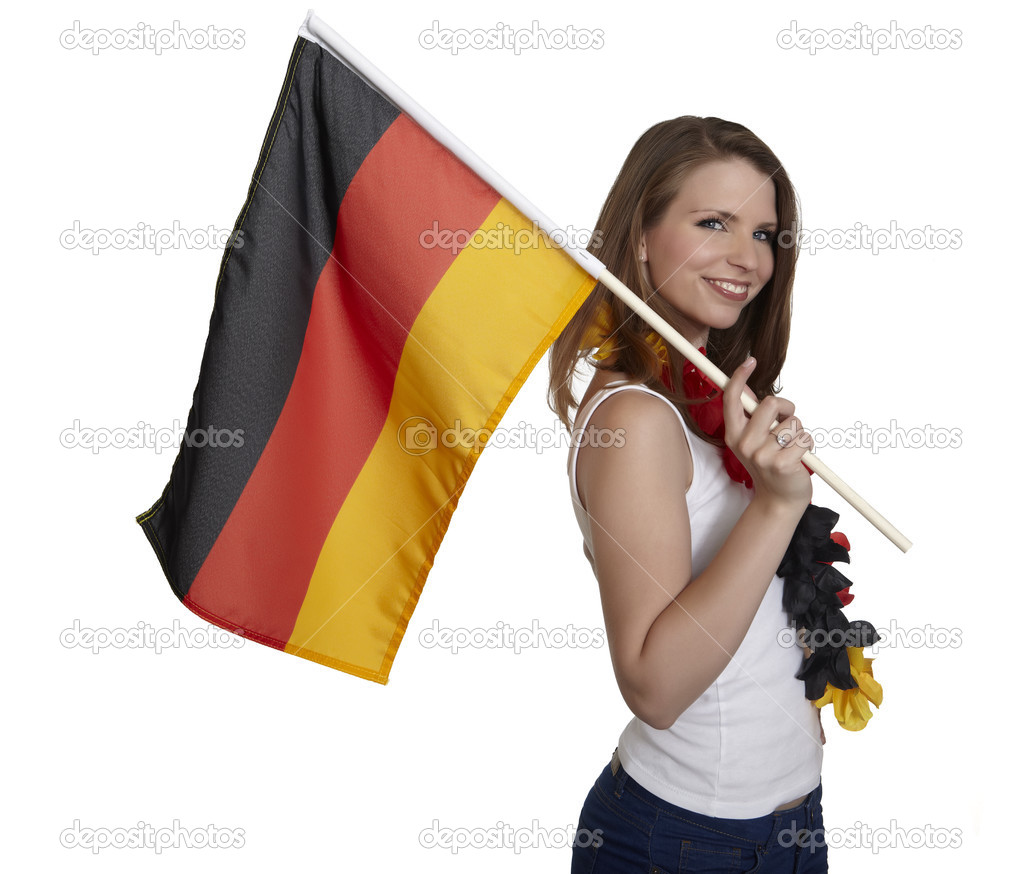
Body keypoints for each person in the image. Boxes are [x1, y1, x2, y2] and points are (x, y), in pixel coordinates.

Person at [548, 116, 829, 872]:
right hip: (686, 843)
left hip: (791, 826)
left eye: (765, 234)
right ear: (639, 236)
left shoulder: (708, 401)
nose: (748, 259)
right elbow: (654, 686)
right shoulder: (636, 419)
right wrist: (774, 507)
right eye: (714, 223)